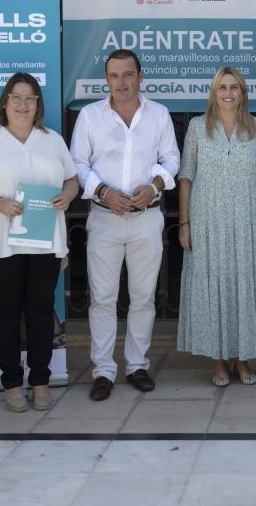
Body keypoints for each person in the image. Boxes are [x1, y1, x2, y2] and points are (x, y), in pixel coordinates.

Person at [0, 73, 79, 412]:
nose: (23, 105)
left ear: (38, 104)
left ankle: (40, 379)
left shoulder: (52, 139)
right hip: (0, 243)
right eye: (16, 97)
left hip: (44, 240)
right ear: (5, 102)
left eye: (30, 98)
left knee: (40, 310)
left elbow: (72, 179)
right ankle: (11, 382)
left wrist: (67, 196)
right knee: (6, 312)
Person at [69, 49, 180, 402]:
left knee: (143, 297)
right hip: (105, 218)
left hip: (147, 218)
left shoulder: (159, 114)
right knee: (102, 298)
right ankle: (103, 370)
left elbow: (172, 158)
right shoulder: (89, 116)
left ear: (140, 76)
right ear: (107, 79)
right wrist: (102, 190)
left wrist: (155, 186)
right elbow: (77, 163)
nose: (121, 82)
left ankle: (137, 365)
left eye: (127, 74)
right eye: (114, 75)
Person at [176, 68, 256, 386]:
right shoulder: (196, 127)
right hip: (208, 221)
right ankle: (218, 361)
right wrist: (185, 223)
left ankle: (242, 358)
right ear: (213, 92)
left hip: (246, 222)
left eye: (234, 87)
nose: (228, 92)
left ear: (244, 92)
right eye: (222, 87)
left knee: (242, 287)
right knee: (213, 287)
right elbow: (186, 177)